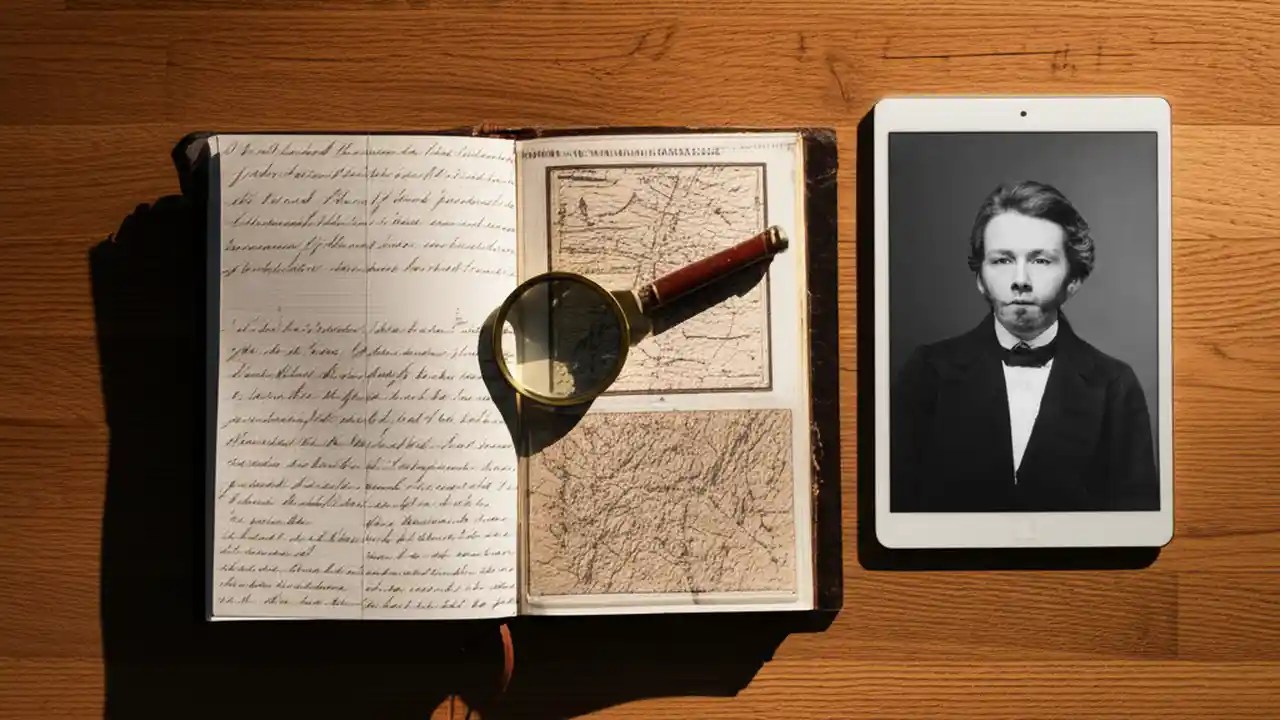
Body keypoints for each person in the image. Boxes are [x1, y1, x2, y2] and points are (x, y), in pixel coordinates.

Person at [890, 180, 1159, 512]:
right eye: (1003, 260)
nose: (1020, 280)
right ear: (980, 278)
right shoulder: (928, 372)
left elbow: (1136, 519)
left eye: (1041, 261)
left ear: (1073, 280)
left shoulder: (1115, 385)